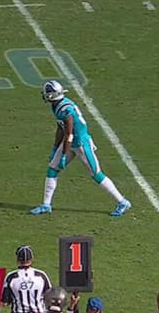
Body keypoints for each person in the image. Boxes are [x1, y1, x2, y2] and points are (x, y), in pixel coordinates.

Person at [30, 78, 131, 216]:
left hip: (80, 143)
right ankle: (46, 205)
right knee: (52, 168)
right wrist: (55, 148)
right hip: (70, 142)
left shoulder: (65, 110)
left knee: (96, 174)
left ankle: (122, 202)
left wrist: (64, 155)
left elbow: (69, 134)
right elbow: (60, 128)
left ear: (52, 95)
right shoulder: (57, 105)